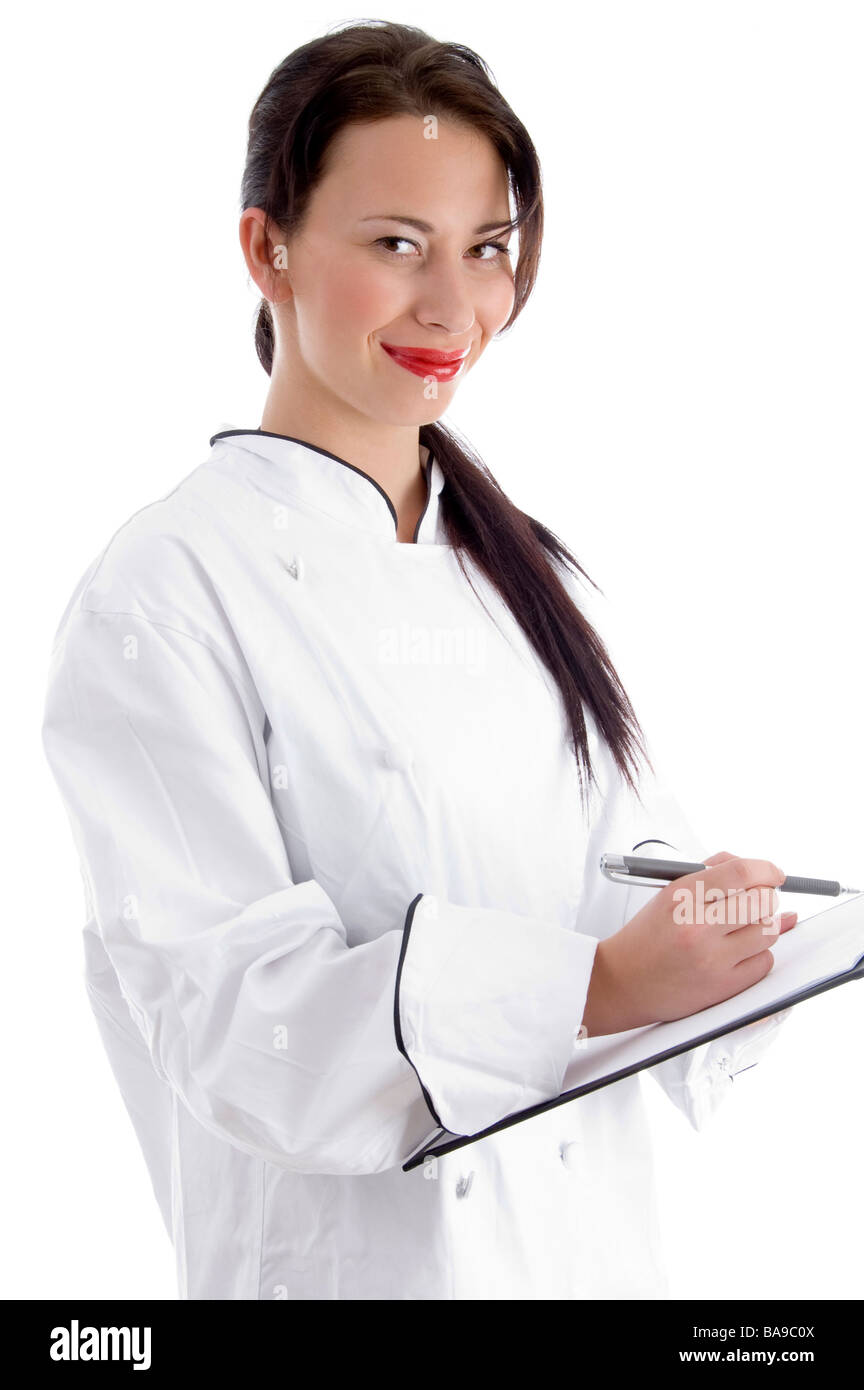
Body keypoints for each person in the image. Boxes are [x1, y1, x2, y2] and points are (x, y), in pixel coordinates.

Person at [41, 20, 794, 1301]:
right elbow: (240, 1025)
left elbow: (623, 876)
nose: (455, 307)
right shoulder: (164, 593)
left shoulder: (524, 574)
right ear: (265, 247)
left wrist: (735, 933)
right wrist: (599, 985)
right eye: (398, 246)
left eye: (487, 250)